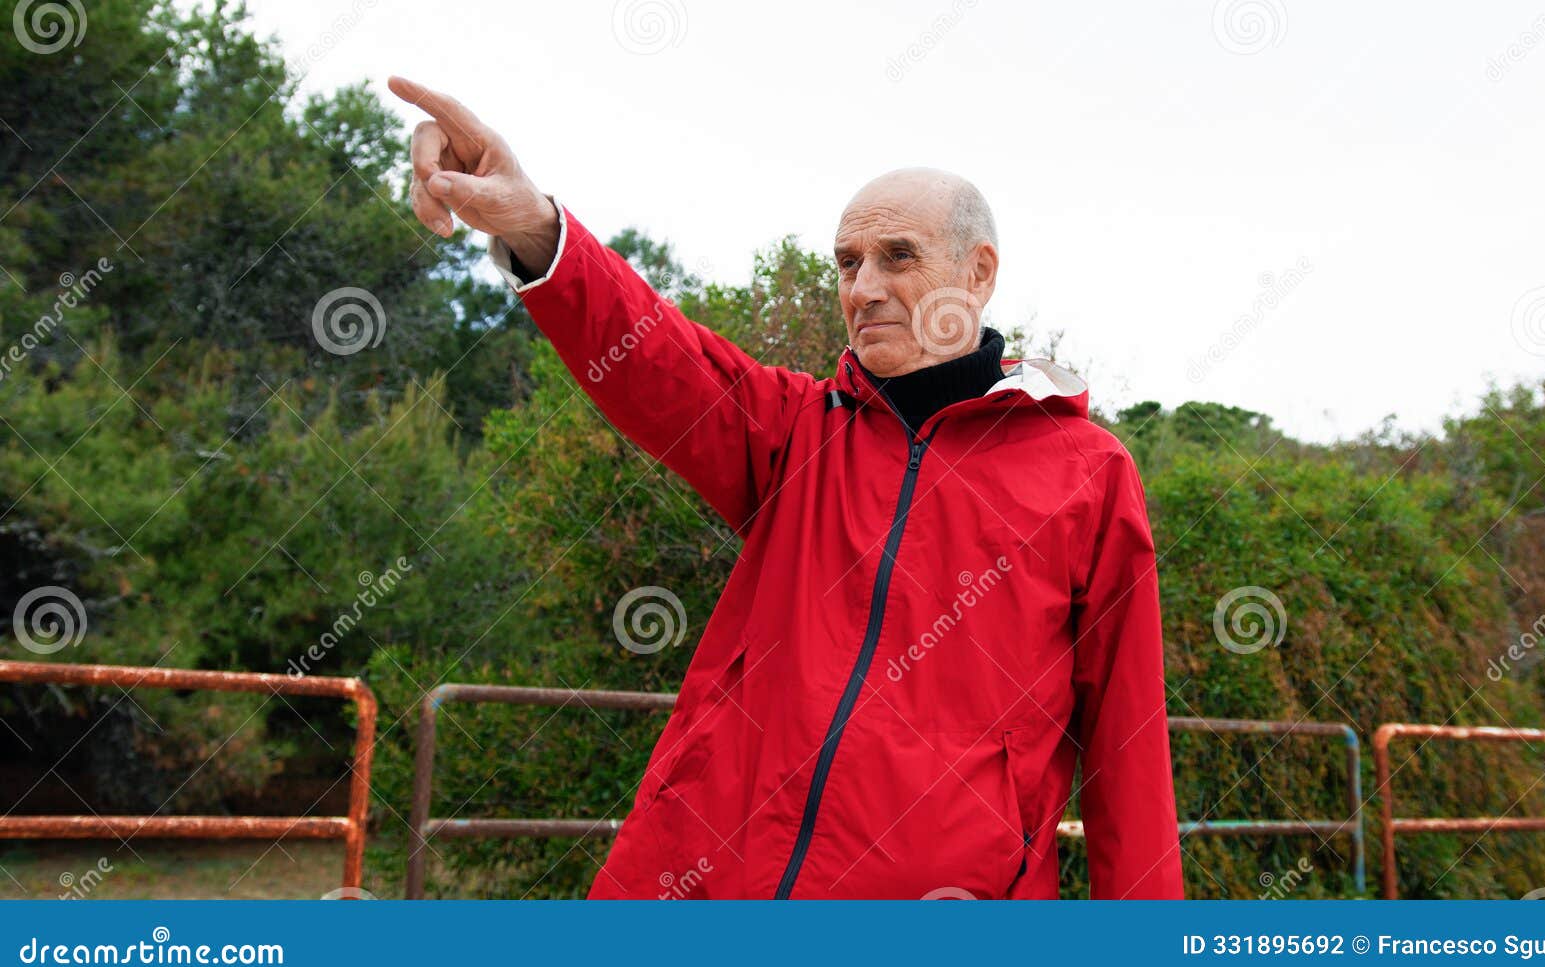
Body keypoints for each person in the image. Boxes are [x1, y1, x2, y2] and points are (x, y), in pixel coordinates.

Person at [390, 75, 1184, 899]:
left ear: (978, 272)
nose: (863, 288)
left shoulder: (1087, 472)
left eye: (896, 257)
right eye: (847, 263)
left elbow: (1130, 746)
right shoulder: (797, 431)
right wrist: (532, 224)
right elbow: (654, 355)